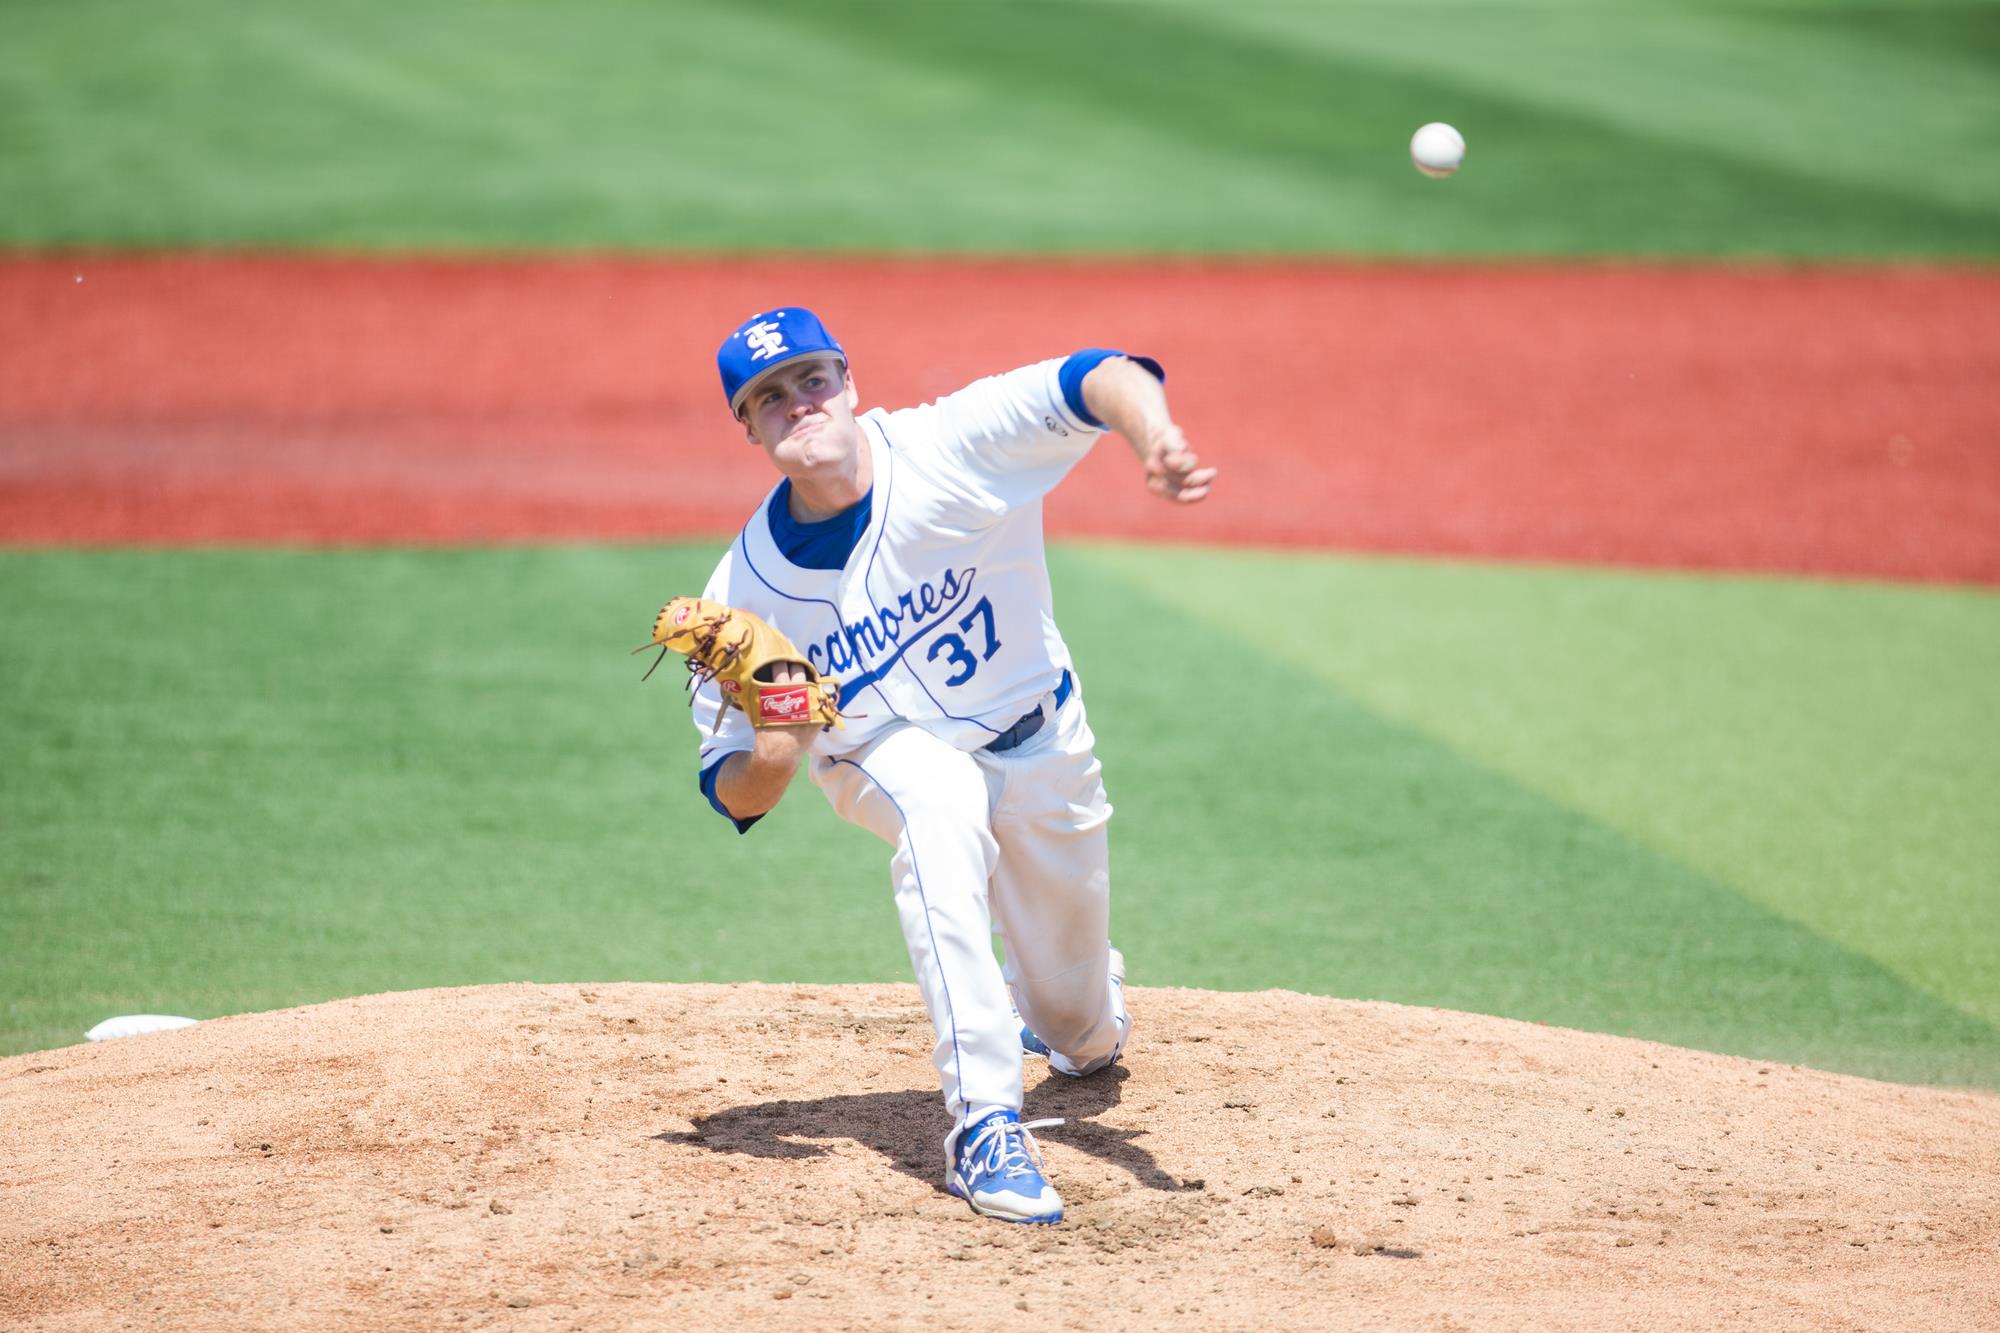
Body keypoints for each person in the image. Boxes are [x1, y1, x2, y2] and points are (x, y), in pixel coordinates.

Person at [680, 306, 1214, 1225]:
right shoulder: (744, 592)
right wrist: (776, 740)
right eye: (768, 398)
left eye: (810, 379)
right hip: (881, 754)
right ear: (748, 427)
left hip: (1041, 739)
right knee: (942, 805)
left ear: (848, 381)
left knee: (1080, 1036)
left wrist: (1155, 434)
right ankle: (984, 1124)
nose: (798, 404)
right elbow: (732, 791)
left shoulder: (951, 444)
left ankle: (1069, 1007)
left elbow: (1096, 374)